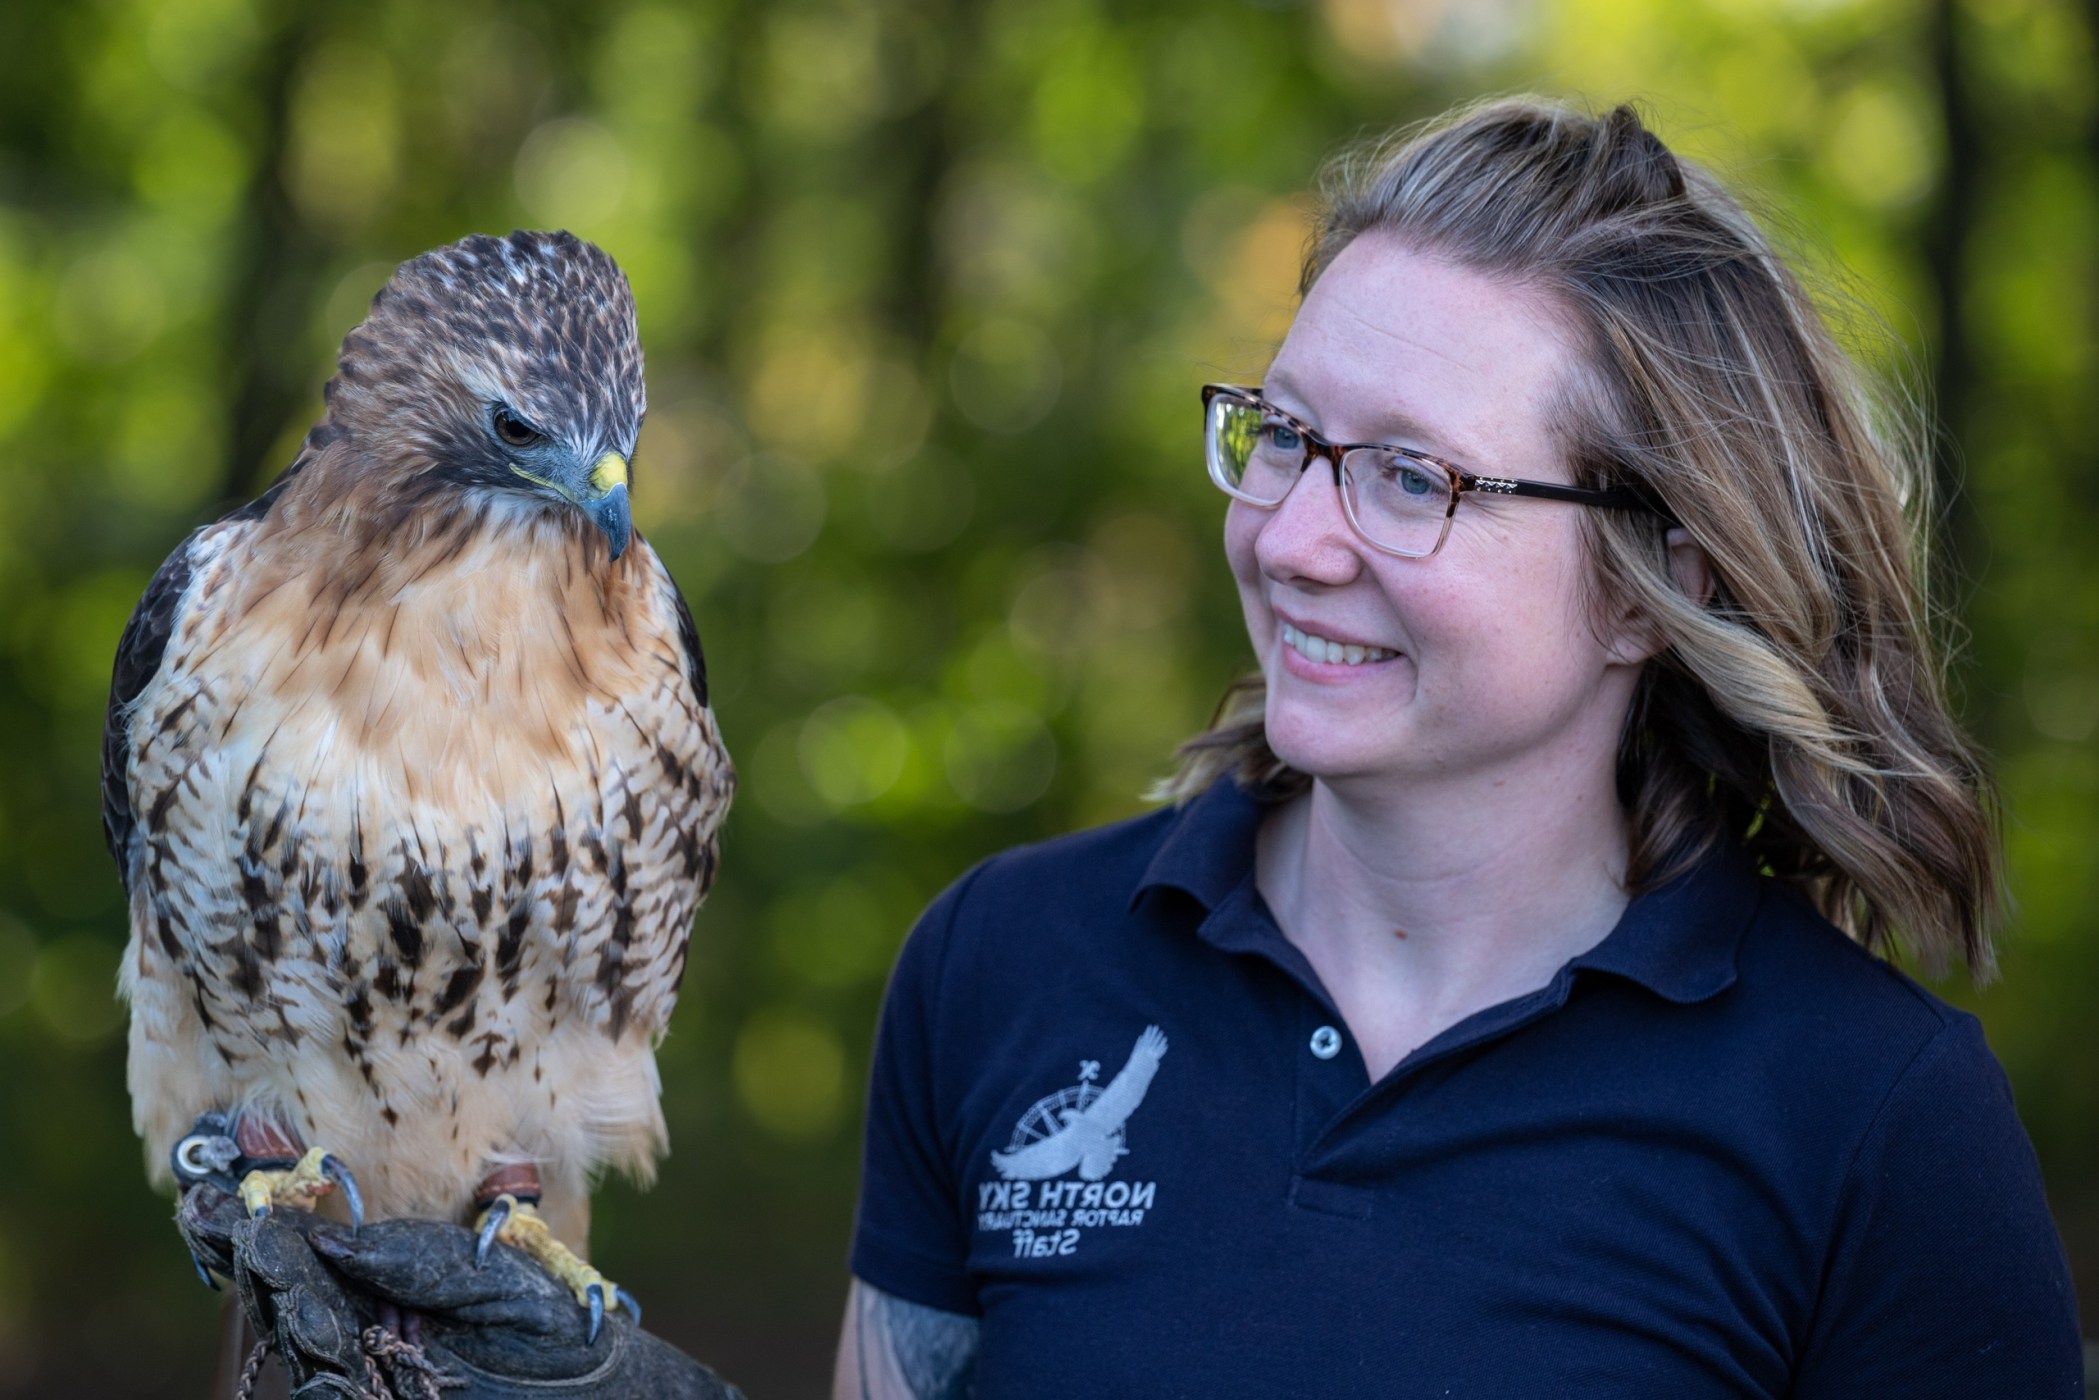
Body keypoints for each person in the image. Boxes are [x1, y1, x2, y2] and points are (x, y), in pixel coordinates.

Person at [832, 98, 2083, 1397]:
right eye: (1284, 437)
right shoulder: (1006, 965)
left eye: (1412, 478)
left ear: (1662, 574)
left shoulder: (1871, 1114)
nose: (1291, 540)